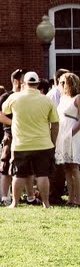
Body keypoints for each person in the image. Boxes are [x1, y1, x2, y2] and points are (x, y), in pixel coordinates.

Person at [0, 71, 59, 209]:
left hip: (21, 144)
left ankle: (14, 203)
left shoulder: (15, 97)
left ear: (24, 83)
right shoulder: (47, 100)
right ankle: (46, 203)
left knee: (19, 174)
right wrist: (52, 141)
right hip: (43, 144)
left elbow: (4, 110)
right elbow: (55, 124)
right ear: (38, 84)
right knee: (43, 174)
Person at [55, 72, 80, 205]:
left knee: (74, 167)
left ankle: (78, 198)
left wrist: (71, 133)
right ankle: (70, 198)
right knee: (66, 167)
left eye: (63, 82)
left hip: (73, 134)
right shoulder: (63, 98)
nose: (61, 85)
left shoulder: (77, 98)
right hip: (62, 133)